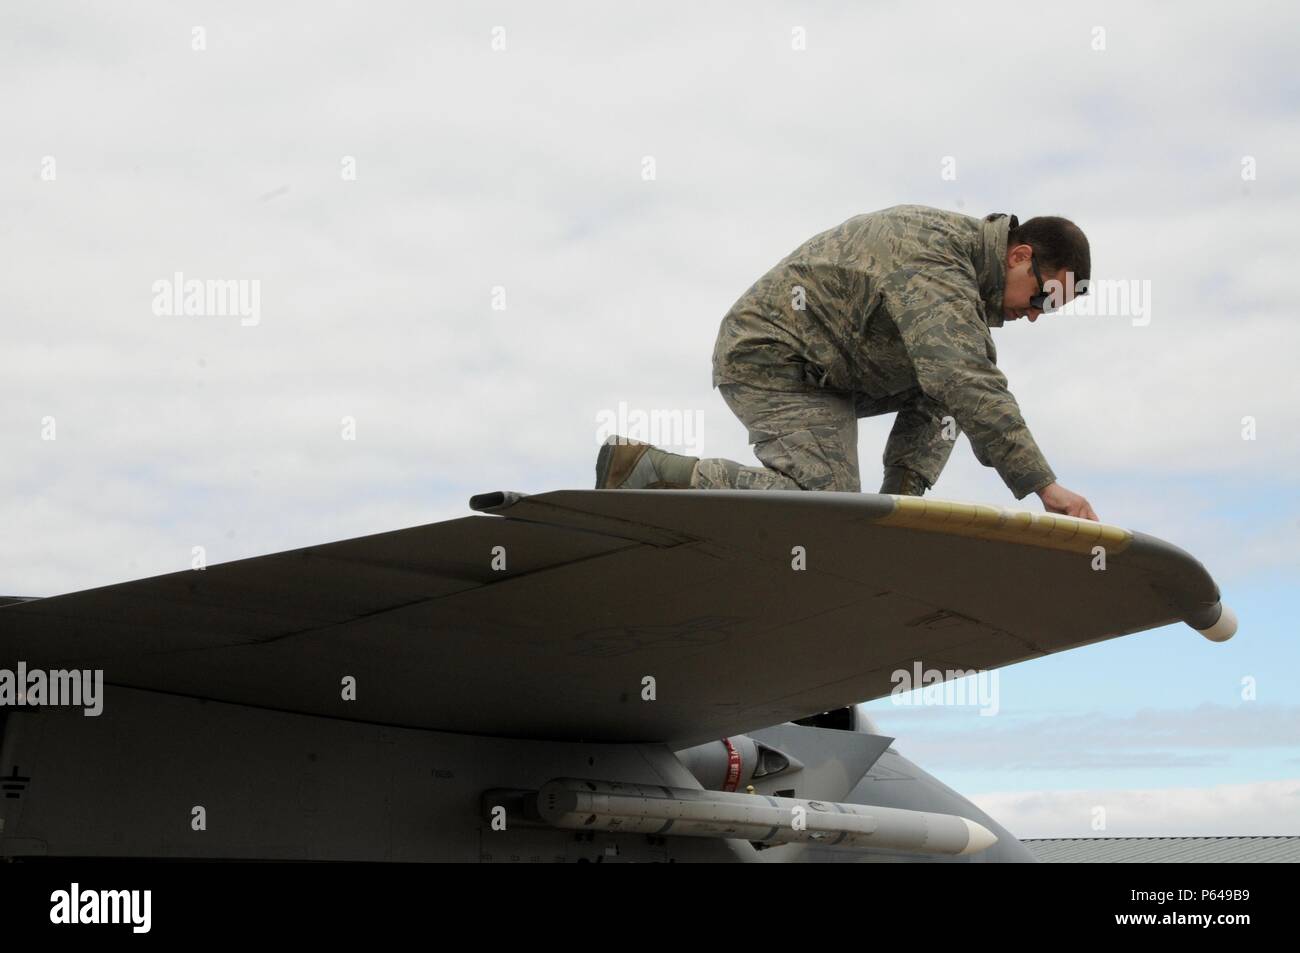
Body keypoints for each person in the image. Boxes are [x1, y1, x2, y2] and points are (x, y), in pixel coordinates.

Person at [595, 205, 1098, 521]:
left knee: (955, 384)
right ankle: (648, 469)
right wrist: (1043, 487)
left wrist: (902, 507)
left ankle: (901, 502)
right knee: (827, 507)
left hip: (834, 367)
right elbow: (964, 379)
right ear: (1019, 256)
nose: (1035, 316)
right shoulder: (939, 263)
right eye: (1044, 300)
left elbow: (957, 382)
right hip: (773, 356)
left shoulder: (962, 288)